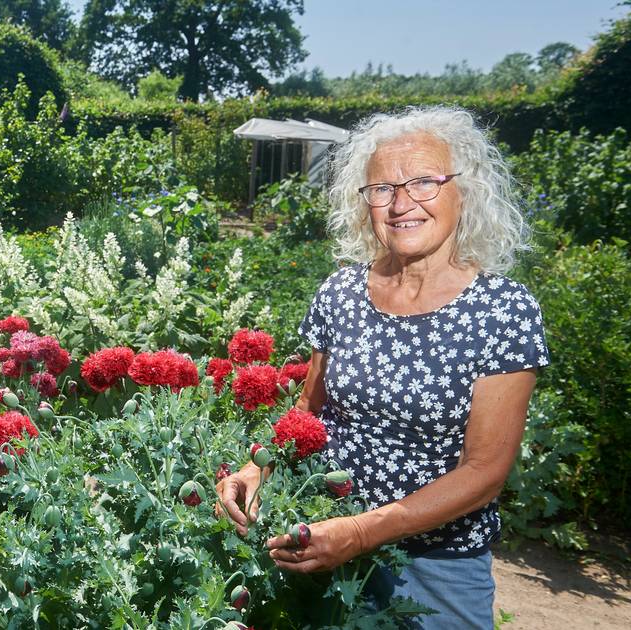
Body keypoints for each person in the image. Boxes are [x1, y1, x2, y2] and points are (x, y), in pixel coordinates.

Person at [217, 106, 548, 628]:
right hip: (319, 538)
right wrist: (259, 466)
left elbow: (485, 473)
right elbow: (309, 410)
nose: (401, 204)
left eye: (424, 182)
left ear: (466, 190)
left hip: (436, 566)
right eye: (381, 189)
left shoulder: (503, 310)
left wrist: (363, 531)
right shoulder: (342, 293)